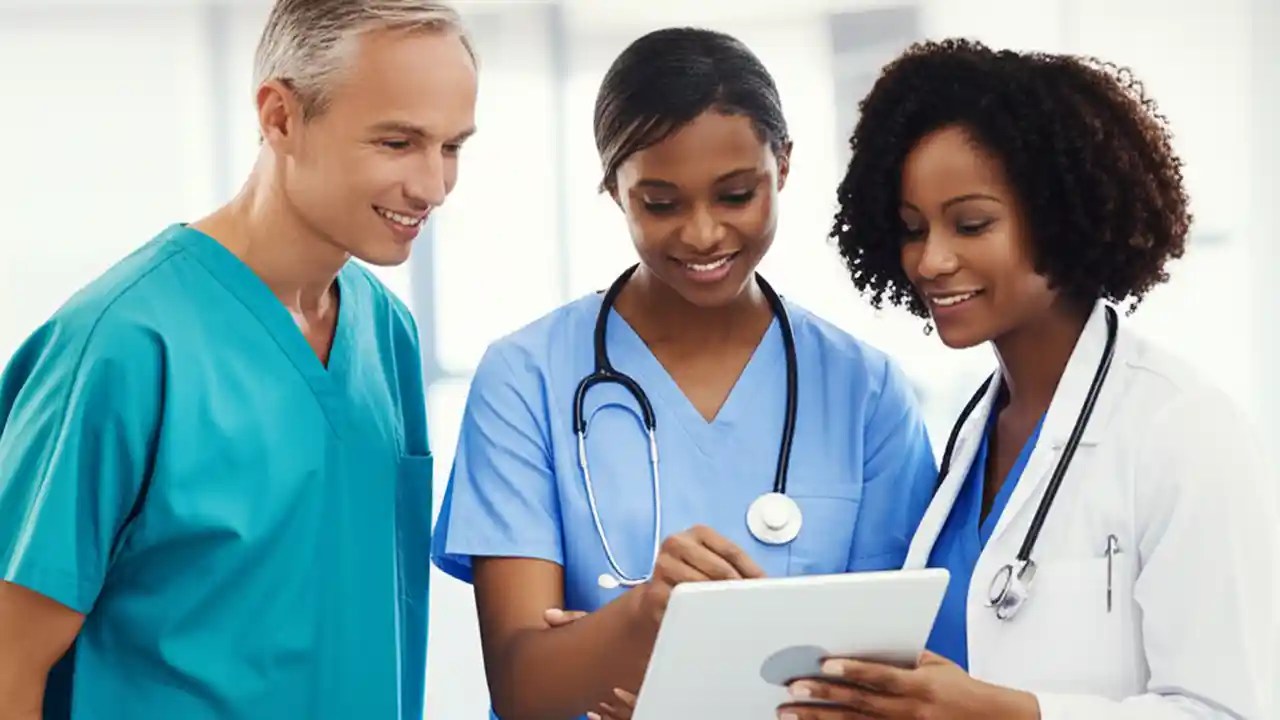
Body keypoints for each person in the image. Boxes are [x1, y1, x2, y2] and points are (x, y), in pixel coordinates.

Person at [429, 27, 937, 720]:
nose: (702, 234)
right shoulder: (526, 379)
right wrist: (646, 612)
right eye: (660, 203)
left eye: (735, 195)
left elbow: (891, 670)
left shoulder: (866, 392)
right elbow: (524, 689)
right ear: (615, 189)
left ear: (782, 166)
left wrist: (618, 654)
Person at [775, 38, 1279, 720]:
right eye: (913, 229)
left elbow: (1231, 711)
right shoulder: (971, 436)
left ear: (1063, 215)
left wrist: (1007, 713)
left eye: (972, 223)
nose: (931, 260)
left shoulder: (1182, 430)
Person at [0, 2, 477, 718]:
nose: (433, 186)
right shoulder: (124, 343)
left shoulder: (387, 332)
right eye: (397, 142)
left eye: (452, 147)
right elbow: (9, 662)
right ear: (280, 116)